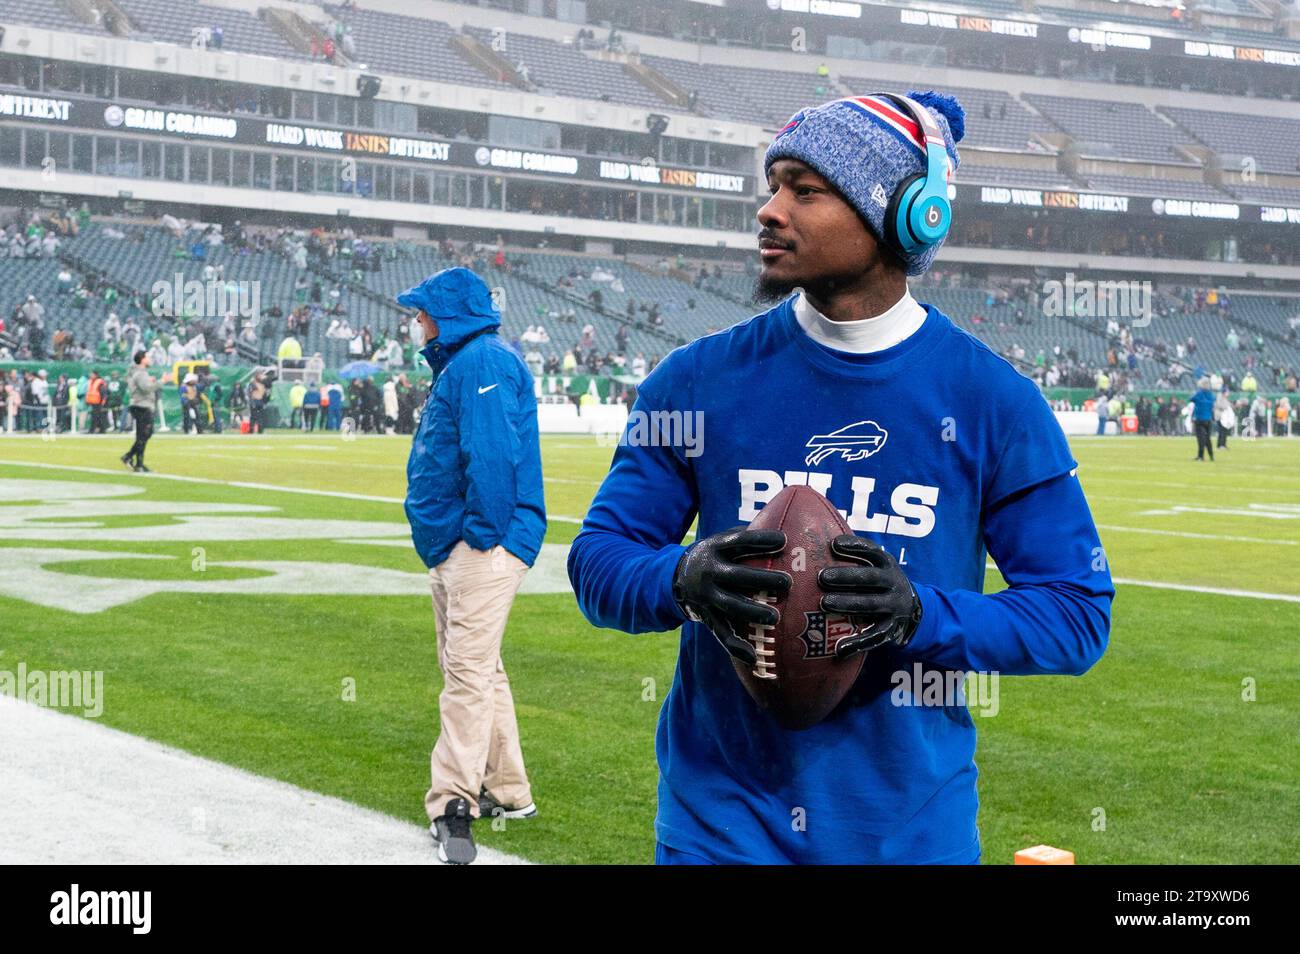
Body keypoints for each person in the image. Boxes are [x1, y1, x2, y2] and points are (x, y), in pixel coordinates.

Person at [567, 91, 1113, 865]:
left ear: (906, 214)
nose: (769, 210)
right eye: (773, 186)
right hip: (719, 833)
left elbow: (1076, 614)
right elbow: (597, 562)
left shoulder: (994, 401)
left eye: (806, 190)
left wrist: (920, 613)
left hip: (910, 838)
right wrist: (681, 578)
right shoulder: (695, 381)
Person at [397, 267, 547, 865]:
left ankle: (453, 805)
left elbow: (491, 457)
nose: (417, 321)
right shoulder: (469, 361)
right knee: (482, 671)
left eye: (423, 311)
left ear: (447, 313)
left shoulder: (482, 361)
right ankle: (509, 790)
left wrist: (480, 540)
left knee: (465, 674)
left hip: (479, 545)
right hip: (459, 543)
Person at [122, 350, 160, 472]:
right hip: (142, 406)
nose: (149, 359)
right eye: (147, 357)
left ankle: (138, 463)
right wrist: (161, 381)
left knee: (142, 435)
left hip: (138, 405)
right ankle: (129, 456)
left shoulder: (137, 372)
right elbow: (146, 388)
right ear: (142, 359)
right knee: (145, 434)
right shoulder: (140, 373)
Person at [1190, 376, 1216, 461]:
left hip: (1199, 418)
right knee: (1207, 438)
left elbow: (1191, 399)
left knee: (1200, 438)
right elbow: (1213, 402)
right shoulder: (1211, 394)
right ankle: (1211, 455)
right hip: (1208, 419)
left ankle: (1200, 456)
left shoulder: (1199, 393)